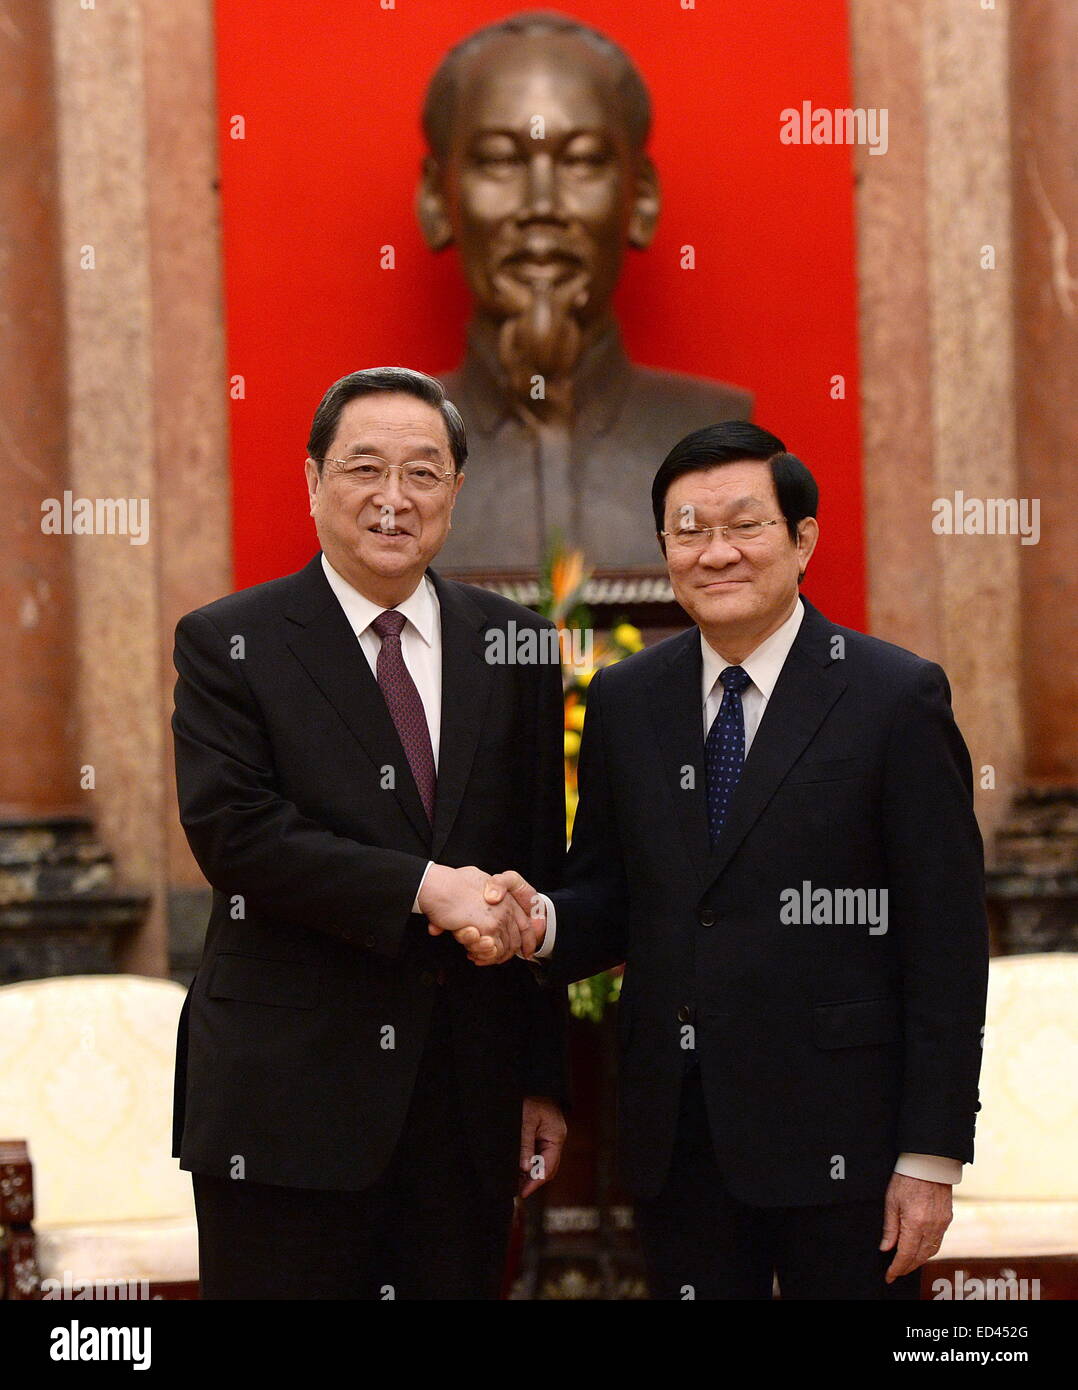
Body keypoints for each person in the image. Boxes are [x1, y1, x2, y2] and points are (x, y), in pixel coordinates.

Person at [487, 420, 989, 1299]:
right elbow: (612, 891)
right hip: (677, 1134)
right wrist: (537, 922)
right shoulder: (625, 698)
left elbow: (946, 941)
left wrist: (931, 1153)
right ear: (663, 549)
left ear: (803, 541)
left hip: (849, 1137)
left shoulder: (893, 697)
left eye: (745, 526)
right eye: (689, 531)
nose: (716, 552)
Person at [171, 366, 567, 1299]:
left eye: (424, 473)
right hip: (287, 1100)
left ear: (456, 492)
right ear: (312, 482)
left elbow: (535, 868)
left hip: (464, 1107)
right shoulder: (230, 640)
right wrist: (423, 888)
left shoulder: (517, 645)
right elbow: (237, 835)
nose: (394, 499)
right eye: (364, 468)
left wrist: (540, 1078)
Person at [417, 11, 752, 571]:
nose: (541, 206)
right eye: (500, 160)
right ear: (436, 200)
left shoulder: (715, 433)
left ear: (641, 199)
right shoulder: (378, 464)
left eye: (582, 161)